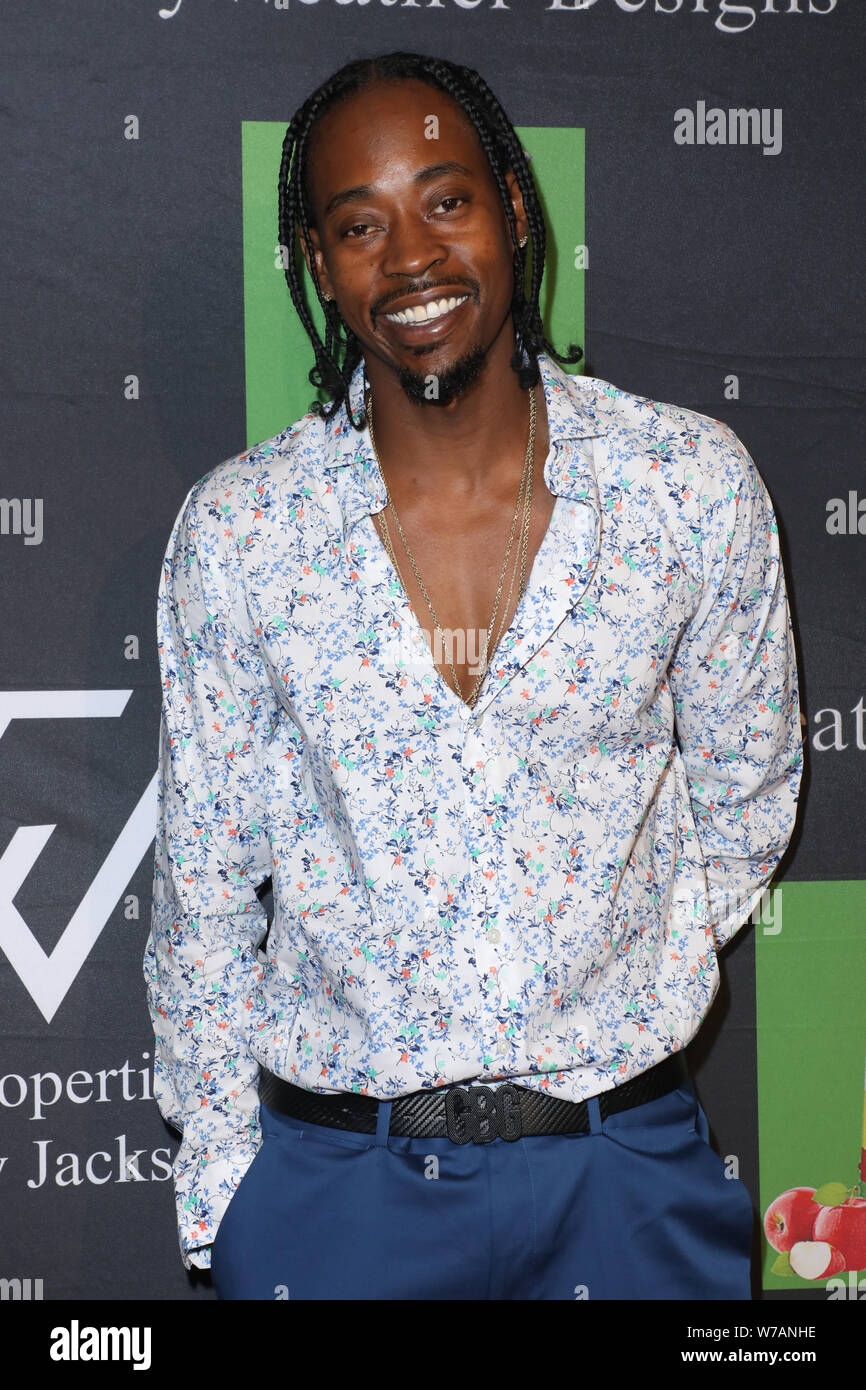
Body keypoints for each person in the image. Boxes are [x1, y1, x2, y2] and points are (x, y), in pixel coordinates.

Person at [144, 51, 802, 1301]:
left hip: (624, 1181)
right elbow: (206, 890)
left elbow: (745, 793)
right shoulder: (242, 530)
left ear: (511, 203)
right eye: (358, 224)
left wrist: (606, 981)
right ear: (316, 264)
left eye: (443, 200)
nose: (408, 257)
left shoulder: (685, 485)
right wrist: (228, 1192)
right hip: (335, 1193)